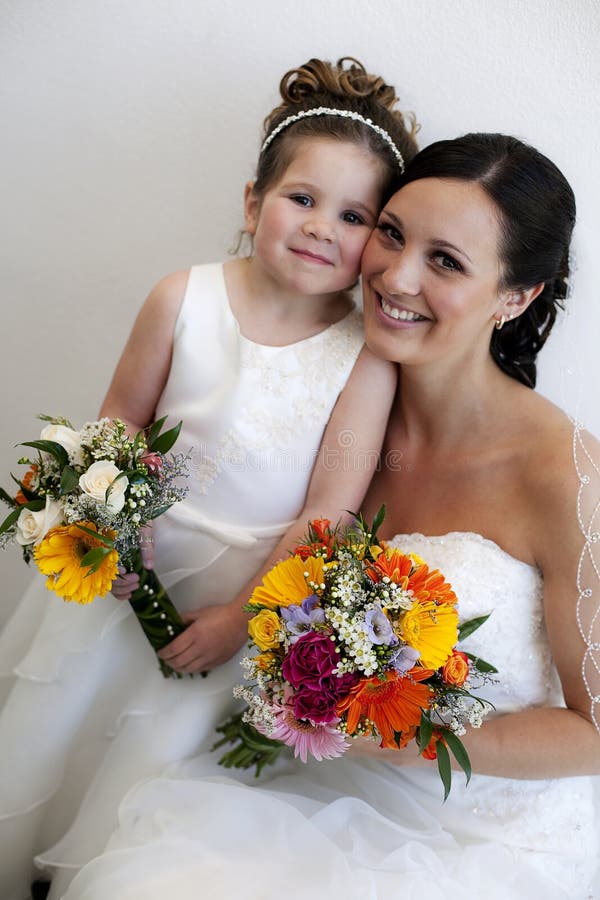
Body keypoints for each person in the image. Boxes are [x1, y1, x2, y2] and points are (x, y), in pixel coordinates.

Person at [62, 133, 599, 900]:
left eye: (445, 261)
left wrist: (420, 738)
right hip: (310, 788)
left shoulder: (567, 475)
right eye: (391, 233)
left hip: (476, 832)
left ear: (517, 297)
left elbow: (596, 732)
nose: (396, 275)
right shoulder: (329, 407)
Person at [0, 57, 419, 899]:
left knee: (149, 757)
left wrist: (240, 618)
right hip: (126, 571)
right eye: (302, 199)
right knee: (56, 723)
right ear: (252, 202)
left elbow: (326, 512)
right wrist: (108, 521)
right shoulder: (180, 296)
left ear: (375, 238)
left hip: (235, 595)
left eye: (353, 215)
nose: (321, 228)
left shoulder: (364, 360)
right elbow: (118, 416)